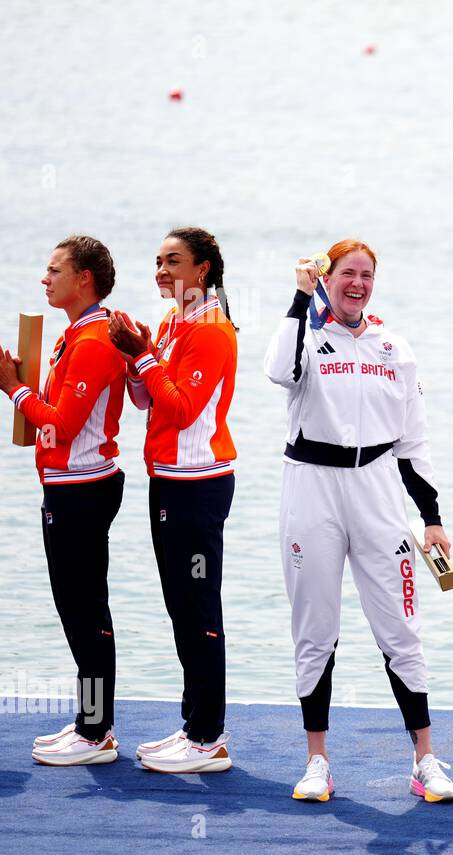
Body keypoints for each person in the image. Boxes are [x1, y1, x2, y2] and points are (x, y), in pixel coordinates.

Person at [264, 240, 453, 805]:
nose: (357, 284)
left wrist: (431, 518)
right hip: (312, 486)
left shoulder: (393, 347)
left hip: (377, 487)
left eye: (367, 275)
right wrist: (299, 299)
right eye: (346, 273)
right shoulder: (306, 332)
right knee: (315, 628)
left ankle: (425, 760)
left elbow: (413, 441)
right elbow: (279, 371)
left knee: (401, 628)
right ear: (325, 278)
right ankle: (317, 761)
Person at [107, 227, 238, 774]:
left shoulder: (210, 330)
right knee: (181, 605)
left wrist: (143, 358)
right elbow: (148, 400)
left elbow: (183, 409)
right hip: (168, 478)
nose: (161, 270)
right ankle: (193, 726)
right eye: (158, 261)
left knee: (198, 606)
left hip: (197, 484)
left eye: (174, 261)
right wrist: (132, 355)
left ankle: (208, 737)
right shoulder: (170, 322)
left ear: (202, 269)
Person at [1, 237, 126, 765]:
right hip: (72, 486)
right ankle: (92, 724)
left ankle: (95, 732)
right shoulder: (77, 333)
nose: (44, 279)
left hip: (82, 488)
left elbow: (63, 425)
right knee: (78, 608)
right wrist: (25, 384)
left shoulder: (94, 340)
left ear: (84, 280)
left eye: (54, 270)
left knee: (84, 611)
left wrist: (13, 389)